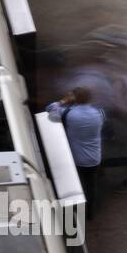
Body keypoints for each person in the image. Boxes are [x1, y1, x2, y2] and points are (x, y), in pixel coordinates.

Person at [46, 87, 105, 218]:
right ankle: (89, 212)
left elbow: (49, 109)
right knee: (91, 185)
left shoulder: (67, 113)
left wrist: (63, 101)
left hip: (75, 158)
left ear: (73, 98)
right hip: (95, 158)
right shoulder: (99, 113)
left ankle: (72, 213)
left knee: (73, 186)